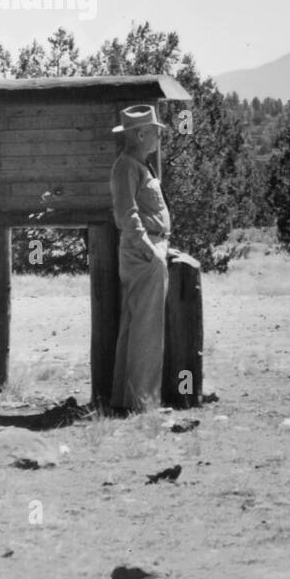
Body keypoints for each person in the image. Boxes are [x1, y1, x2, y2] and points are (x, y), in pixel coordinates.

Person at [109, 105, 172, 413]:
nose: (159, 136)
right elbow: (127, 213)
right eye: (155, 131)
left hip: (145, 250)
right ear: (140, 134)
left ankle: (129, 400)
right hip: (143, 252)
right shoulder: (127, 166)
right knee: (147, 327)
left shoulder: (138, 165)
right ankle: (142, 402)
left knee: (137, 324)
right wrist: (149, 249)